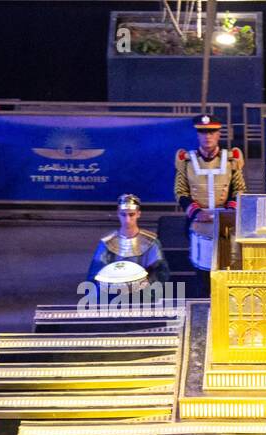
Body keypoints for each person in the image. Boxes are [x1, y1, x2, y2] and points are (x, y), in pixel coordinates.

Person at [174, 115, 245, 298]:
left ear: (219, 134)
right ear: (198, 135)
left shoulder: (231, 159)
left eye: (212, 132)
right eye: (203, 132)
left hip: (226, 222)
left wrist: (230, 209)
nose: (207, 136)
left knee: (228, 270)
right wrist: (196, 212)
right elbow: (180, 192)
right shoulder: (186, 161)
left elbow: (240, 189)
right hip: (199, 222)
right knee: (203, 276)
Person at [86, 194, 171, 297]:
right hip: (113, 297)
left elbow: (161, 273)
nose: (127, 220)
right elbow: (94, 275)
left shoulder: (151, 242)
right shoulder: (107, 243)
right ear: (118, 214)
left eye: (131, 215)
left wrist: (146, 284)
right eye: (123, 214)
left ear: (138, 214)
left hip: (143, 297)